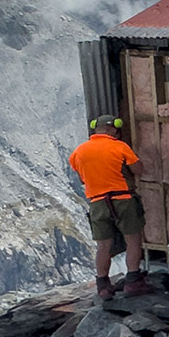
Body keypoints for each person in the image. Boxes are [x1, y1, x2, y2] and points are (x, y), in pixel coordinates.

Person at [68, 115, 153, 298]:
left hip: (97, 203)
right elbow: (138, 170)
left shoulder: (78, 152)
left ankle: (103, 286)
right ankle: (133, 281)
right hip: (123, 199)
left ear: (95, 128)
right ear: (112, 128)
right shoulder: (120, 146)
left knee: (103, 246)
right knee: (133, 240)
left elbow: (81, 177)